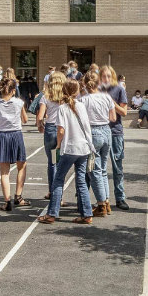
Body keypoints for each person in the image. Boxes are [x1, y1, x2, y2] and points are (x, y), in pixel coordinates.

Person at [37, 79, 94, 225]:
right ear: (77, 91)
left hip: (70, 148)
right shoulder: (81, 106)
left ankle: (51, 214)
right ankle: (87, 214)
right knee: (81, 180)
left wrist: (58, 145)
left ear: (64, 91)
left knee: (58, 180)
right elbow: (87, 126)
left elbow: (61, 130)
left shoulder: (62, 108)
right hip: (84, 148)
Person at [0, 76, 30, 212]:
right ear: (13, 90)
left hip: (3, 136)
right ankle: (18, 196)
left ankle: (7, 202)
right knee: (22, 166)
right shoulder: (19, 103)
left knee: (4, 172)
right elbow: (25, 120)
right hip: (16, 135)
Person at [81, 72, 115, 216]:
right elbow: (112, 117)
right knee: (103, 169)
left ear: (85, 84)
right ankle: (106, 202)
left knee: (93, 170)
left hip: (93, 132)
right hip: (107, 131)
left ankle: (101, 204)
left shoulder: (83, 100)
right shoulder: (107, 97)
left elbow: (82, 121)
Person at [102, 64, 131, 211]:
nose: (106, 78)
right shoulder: (97, 90)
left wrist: (111, 103)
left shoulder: (119, 90)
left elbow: (124, 112)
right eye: (103, 76)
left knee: (117, 167)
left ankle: (120, 198)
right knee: (99, 168)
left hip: (115, 133)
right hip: (100, 132)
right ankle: (102, 199)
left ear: (113, 76)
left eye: (108, 76)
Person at [33, 72, 64, 199]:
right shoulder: (66, 97)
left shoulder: (45, 96)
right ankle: (59, 194)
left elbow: (40, 117)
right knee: (62, 163)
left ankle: (52, 192)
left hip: (50, 130)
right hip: (63, 130)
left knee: (52, 163)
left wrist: (40, 125)